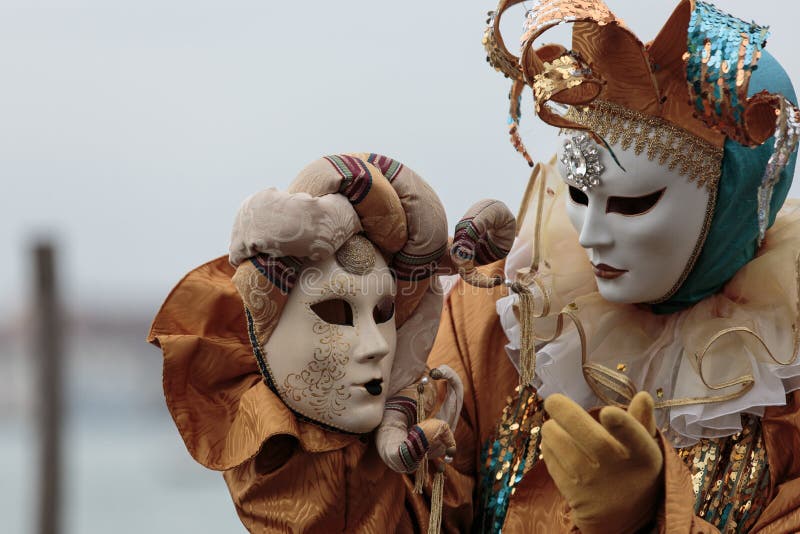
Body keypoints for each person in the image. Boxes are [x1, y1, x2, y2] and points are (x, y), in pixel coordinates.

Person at [432, 0, 800, 532]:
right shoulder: (502, 318)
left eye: (633, 204)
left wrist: (651, 517)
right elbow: (412, 506)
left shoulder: (785, 388)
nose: (589, 235)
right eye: (578, 196)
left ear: (735, 204)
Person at [148, 152, 515, 532]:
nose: (377, 346)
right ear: (258, 336)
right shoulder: (276, 467)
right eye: (336, 314)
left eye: (384, 312)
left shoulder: (436, 442)